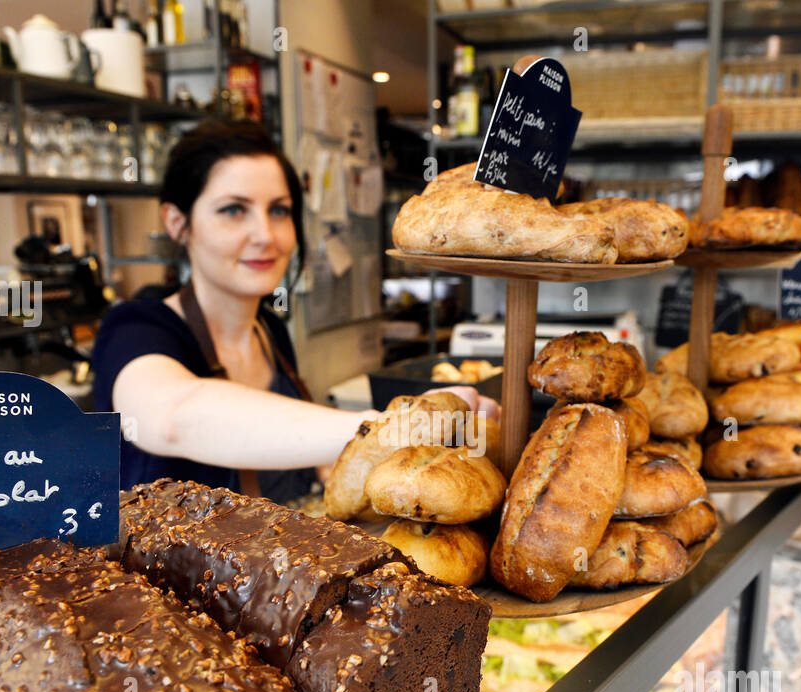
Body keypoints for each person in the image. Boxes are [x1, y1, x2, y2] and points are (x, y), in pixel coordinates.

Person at [92, 120, 497, 504]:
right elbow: (171, 417)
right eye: (234, 210)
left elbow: (292, 451)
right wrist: (390, 428)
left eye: (279, 210)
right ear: (178, 222)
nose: (265, 235)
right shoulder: (135, 328)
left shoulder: (269, 330)